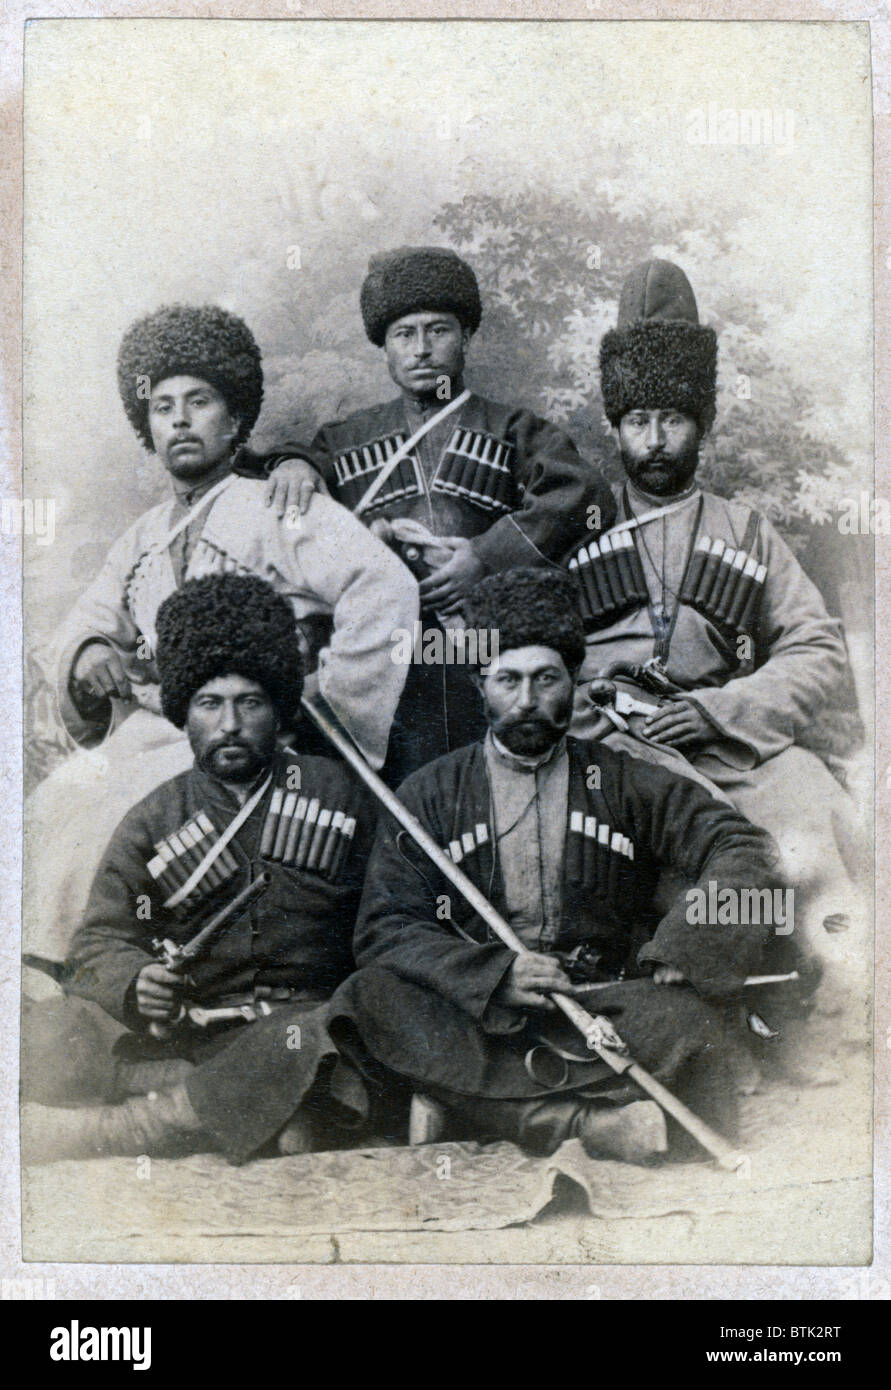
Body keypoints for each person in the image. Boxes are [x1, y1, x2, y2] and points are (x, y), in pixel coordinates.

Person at [329, 569, 789, 1163]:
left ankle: (476, 1109)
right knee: (370, 1000)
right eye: (508, 680)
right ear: (480, 685)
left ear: (573, 681)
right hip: (476, 1010)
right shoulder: (429, 794)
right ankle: (580, 1123)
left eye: (546, 679)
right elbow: (386, 928)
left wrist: (690, 940)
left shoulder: (622, 778)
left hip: (600, 1003)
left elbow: (743, 847)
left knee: (689, 1023)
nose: (526, 701)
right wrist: (496, 976)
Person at [26, 304, 417, 962]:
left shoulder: (278, 505)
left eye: (199, 401)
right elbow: (87, 622)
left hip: (248, 732)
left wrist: (322, 700)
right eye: (162, 406)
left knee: (113, 811)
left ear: (234, 419)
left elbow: (385, 586)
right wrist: (89, 654)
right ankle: (57, 975)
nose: (179, 419)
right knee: (53, 801)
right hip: (153, 733)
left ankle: (111, 969)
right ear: (147, 428)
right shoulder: (144, 536)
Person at [566, 260, 867, 1014]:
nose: (656, 440)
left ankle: (812, 1010)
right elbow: (536, 659)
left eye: (673, 419)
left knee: (815, 804)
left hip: (727, 741)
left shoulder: (745, 531)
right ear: (615, 429)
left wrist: (718, 711)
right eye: (638, 421)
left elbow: (815, 648)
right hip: (610, 750)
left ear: (701, 422)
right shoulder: (575, 531)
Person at [23, 574, 376, 1164]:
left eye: (251, 702)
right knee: (49, 1032)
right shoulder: (153, 818)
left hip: (311, 1029)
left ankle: (128, 1129)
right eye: (210, 704)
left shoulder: (339, 793)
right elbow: (101, 941)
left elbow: (389, 920)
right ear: (184, 715)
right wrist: (137, 982)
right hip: (201, 1036)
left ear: (279, 708)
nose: (230, 724)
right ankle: (234, 1103)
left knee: (311, 1051)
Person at [247, 246, 616, 778]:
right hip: (381, 657)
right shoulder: (346, 439)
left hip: (485, 650)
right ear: (385, 349)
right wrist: (292, 463)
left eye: (438, 330)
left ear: (465, 337)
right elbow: (279, 496)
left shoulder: (515, 430)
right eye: (405, 334)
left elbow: (583, 497)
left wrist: (485, 559)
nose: (422, 349)